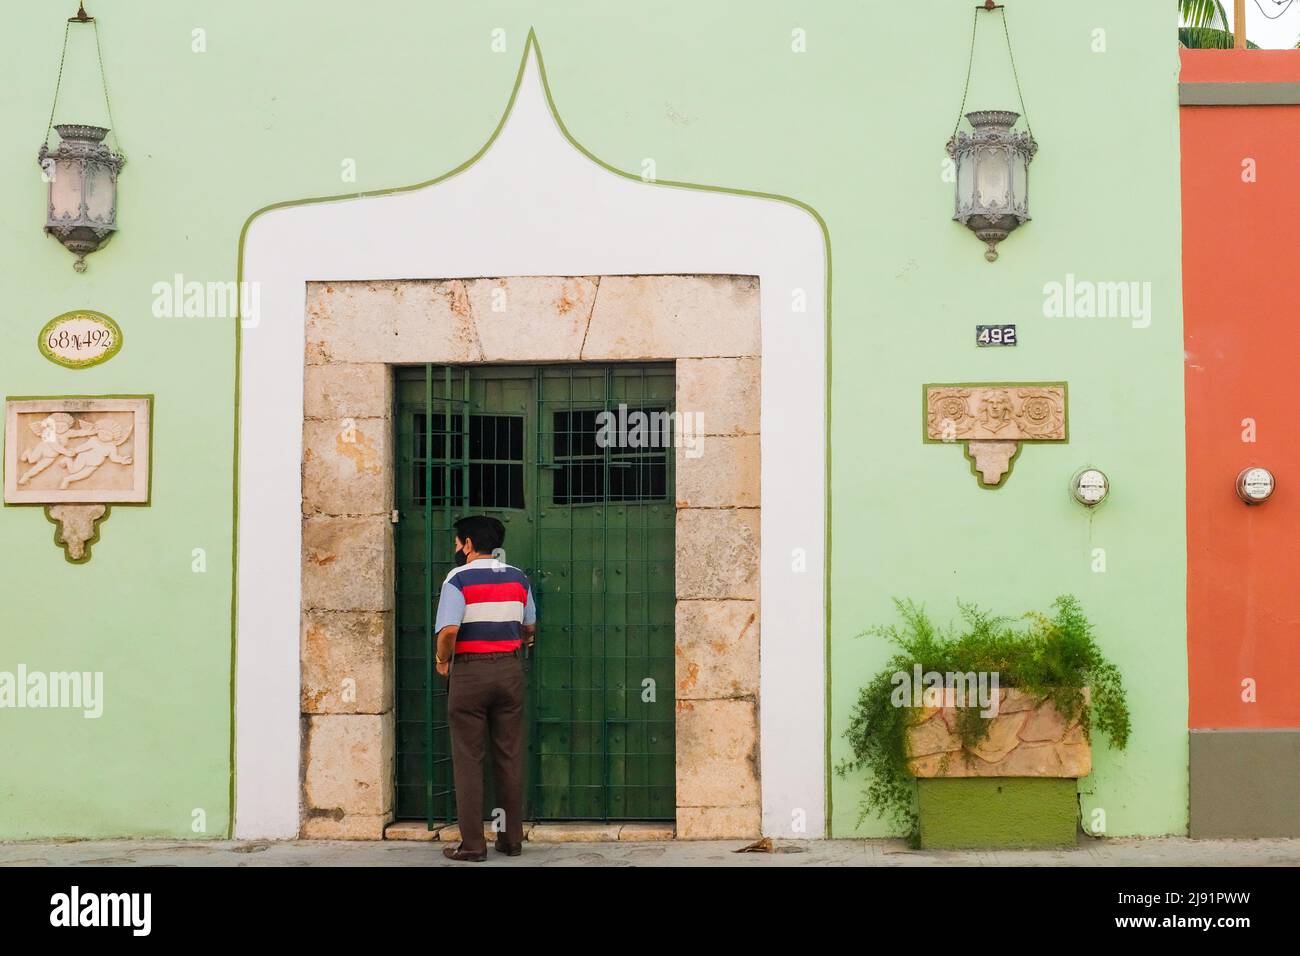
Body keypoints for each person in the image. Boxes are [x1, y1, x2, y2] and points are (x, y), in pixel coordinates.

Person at [433, 515, 536, 862]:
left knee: (468, 759)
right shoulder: (518, 577)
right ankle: (511, 841)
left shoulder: (457, 579)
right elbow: (529, 625)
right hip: (509, 670)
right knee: (508, 757)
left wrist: (442, 660)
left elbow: (448, 631)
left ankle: (473, 845)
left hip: (470, 674)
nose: (456, 548)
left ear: (468, 544)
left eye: (457, 542)